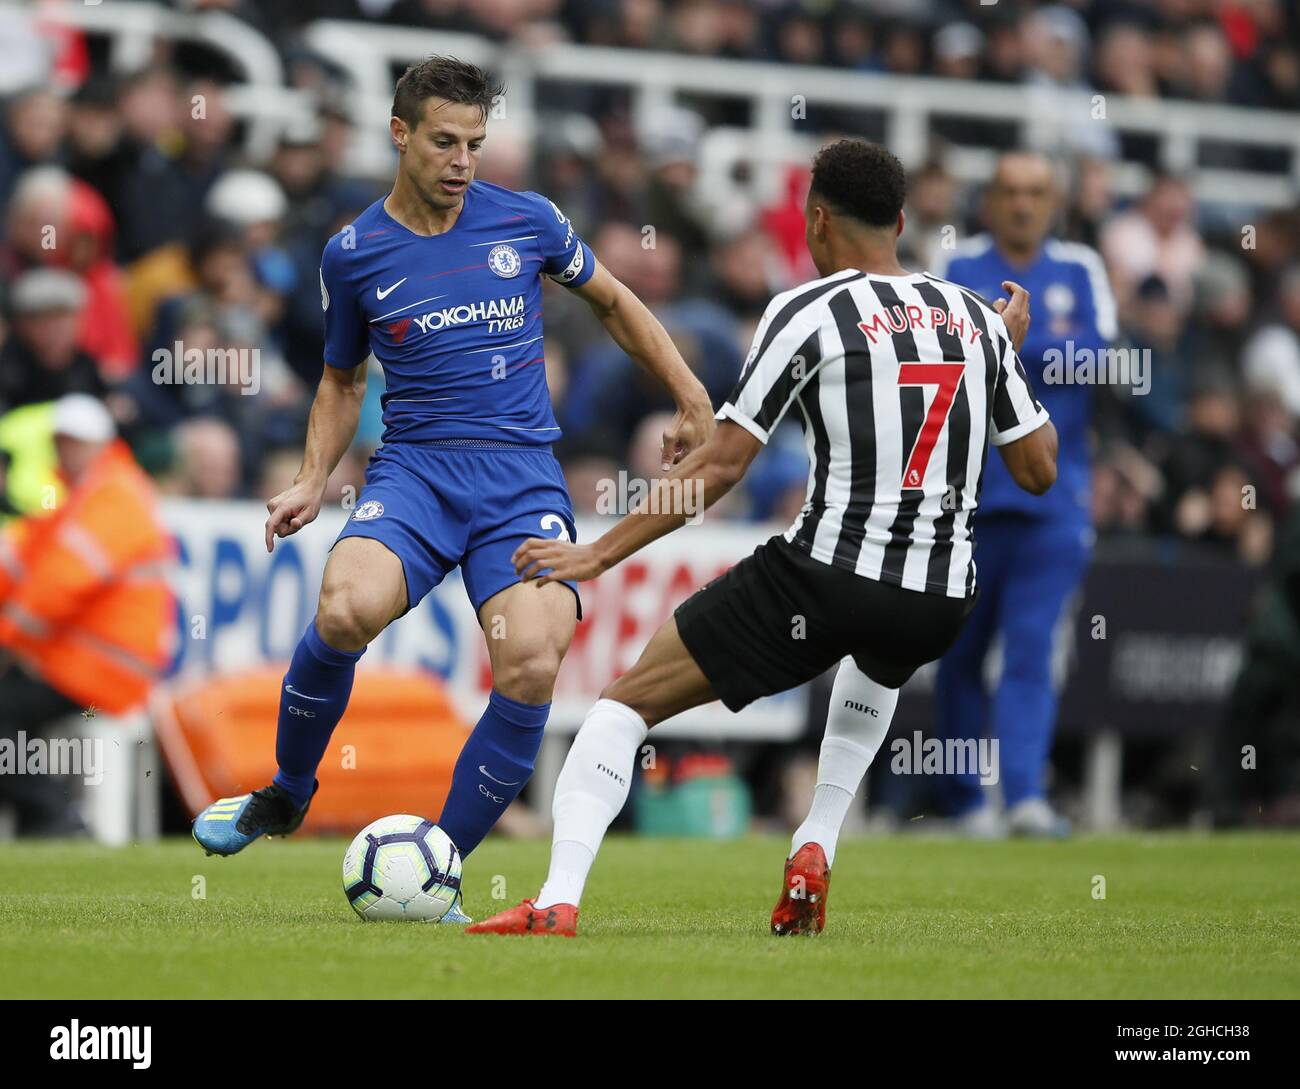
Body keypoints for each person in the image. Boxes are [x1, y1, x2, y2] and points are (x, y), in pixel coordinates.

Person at [466, 138, 1057, 938]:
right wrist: (998, 361)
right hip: (939, 596)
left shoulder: (802, 310)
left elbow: (723, 467)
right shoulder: (977, 319)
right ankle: (815, 841)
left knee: (623, 705)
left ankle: (558, 898)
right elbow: (1038, 470)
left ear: (817, 222)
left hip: (828, 573)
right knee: (876, 668)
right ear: (904, 221)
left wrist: (601, 550)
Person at [190, 57, 714, 924]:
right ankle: (287, 789)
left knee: (534, 658)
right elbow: (342, 380)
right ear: (401, 135)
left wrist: (692, 395)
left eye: (475, 141)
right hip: (418, 473)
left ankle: (435, 865)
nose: (463, 160)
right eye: (444, 141)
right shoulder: (354, 253)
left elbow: (618, 303)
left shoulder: (530, 219)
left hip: (519, 483)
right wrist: (311, 478)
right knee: (344, 608)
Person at [931, 152, 1116, 836]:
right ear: (990, 200)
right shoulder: (952, 268)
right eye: (1010, 191)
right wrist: (1036, 348)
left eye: (1036, 192)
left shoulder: (1081, 268)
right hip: (967, 496)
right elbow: (941, 362)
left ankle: (1026, 795)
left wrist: (1003, 343)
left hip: (1054, 501)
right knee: (958, 654)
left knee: (1033, 645)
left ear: (1054, 199)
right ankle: (966, 804)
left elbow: (1104, 358)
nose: (1022, 204)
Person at [0, 394, 174, 835]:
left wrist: (8, 637)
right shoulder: (85, 495)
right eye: (61, 441)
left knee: (5, 711)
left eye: (76, 442)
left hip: (103, 669)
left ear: (102, 444)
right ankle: (44, 820)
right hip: (85, 662)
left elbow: (59, 583)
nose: (66, 450)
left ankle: (58, 817)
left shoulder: (114, 495)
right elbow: (23, 560)